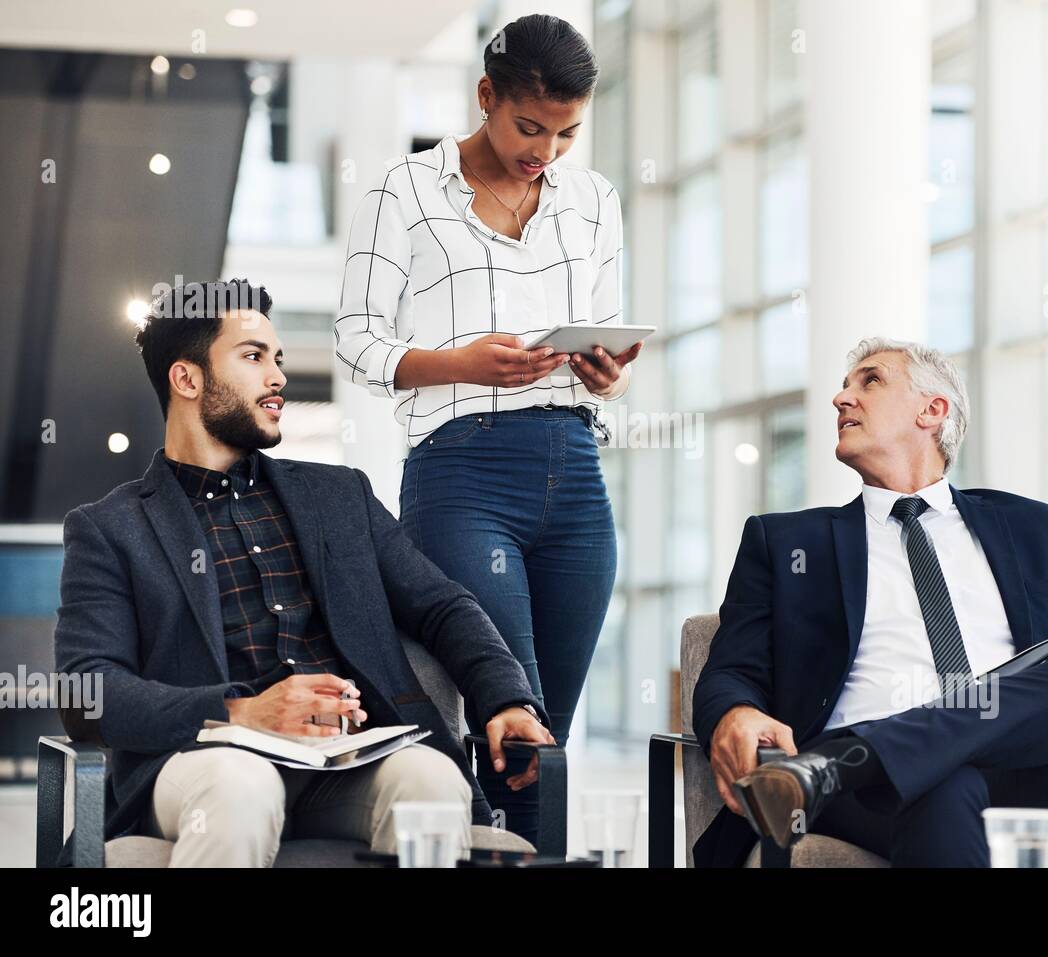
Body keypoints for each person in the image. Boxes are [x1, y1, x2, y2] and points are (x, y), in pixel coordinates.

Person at [54, 279, 553, 867]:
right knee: (241, 788)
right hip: (205, 763)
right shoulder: (109, 528)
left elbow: (442, 606)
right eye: (253, 357)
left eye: (278, 359)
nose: (277, 378)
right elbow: (87, 690)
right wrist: (242, 711)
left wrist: (507, 700)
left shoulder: (339, 495)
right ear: (186, 379)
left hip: (350, 758)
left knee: (430, 780)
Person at [335, 14, 637, 845]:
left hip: (576, 474)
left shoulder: (594, 201)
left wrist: (608, 374)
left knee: (549, 739)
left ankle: (493, 849)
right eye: (529, 127)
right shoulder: (403, 191)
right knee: (516, 719)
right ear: (485, 96)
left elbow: (608, 341)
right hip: (462, 477)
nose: (547, 150)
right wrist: (460, 363)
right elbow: (355, 341)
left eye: (567, 133)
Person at [693, 337, 1048, 867]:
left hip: (1031, 776)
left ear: (932, 410)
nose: (841, 399)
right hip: (870, 797)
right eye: (844, 387)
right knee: (941, 784)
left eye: (870, 381)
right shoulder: (786, 542)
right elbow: (730, 670)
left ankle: (846, 759)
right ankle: (867, 762)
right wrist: (735, 712)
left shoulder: (1035, 527)